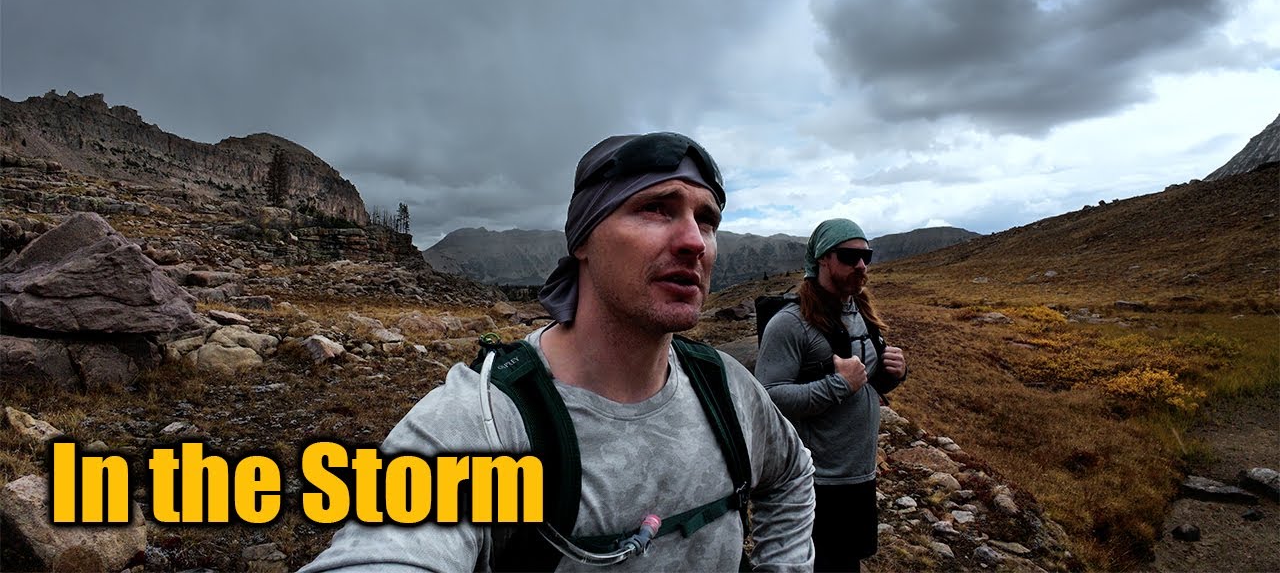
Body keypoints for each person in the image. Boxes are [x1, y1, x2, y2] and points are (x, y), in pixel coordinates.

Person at [301, 132, 815, 572]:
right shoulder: (485, 420)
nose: (693, 242)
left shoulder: (725, 386)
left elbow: (792, 473)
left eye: (707, 221)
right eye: (655, 209)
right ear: (583, 241)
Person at [753, 219, 907, 573]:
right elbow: (769, 398)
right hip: (816, 479)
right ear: (823, 260)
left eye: (866, 256)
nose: (861, 265)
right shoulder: (790, 324)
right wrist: (839, 385)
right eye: (849, 256)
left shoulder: (860, 314)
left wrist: (896, 373)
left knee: (847, 562)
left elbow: (866, 384)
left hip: (859, 473)